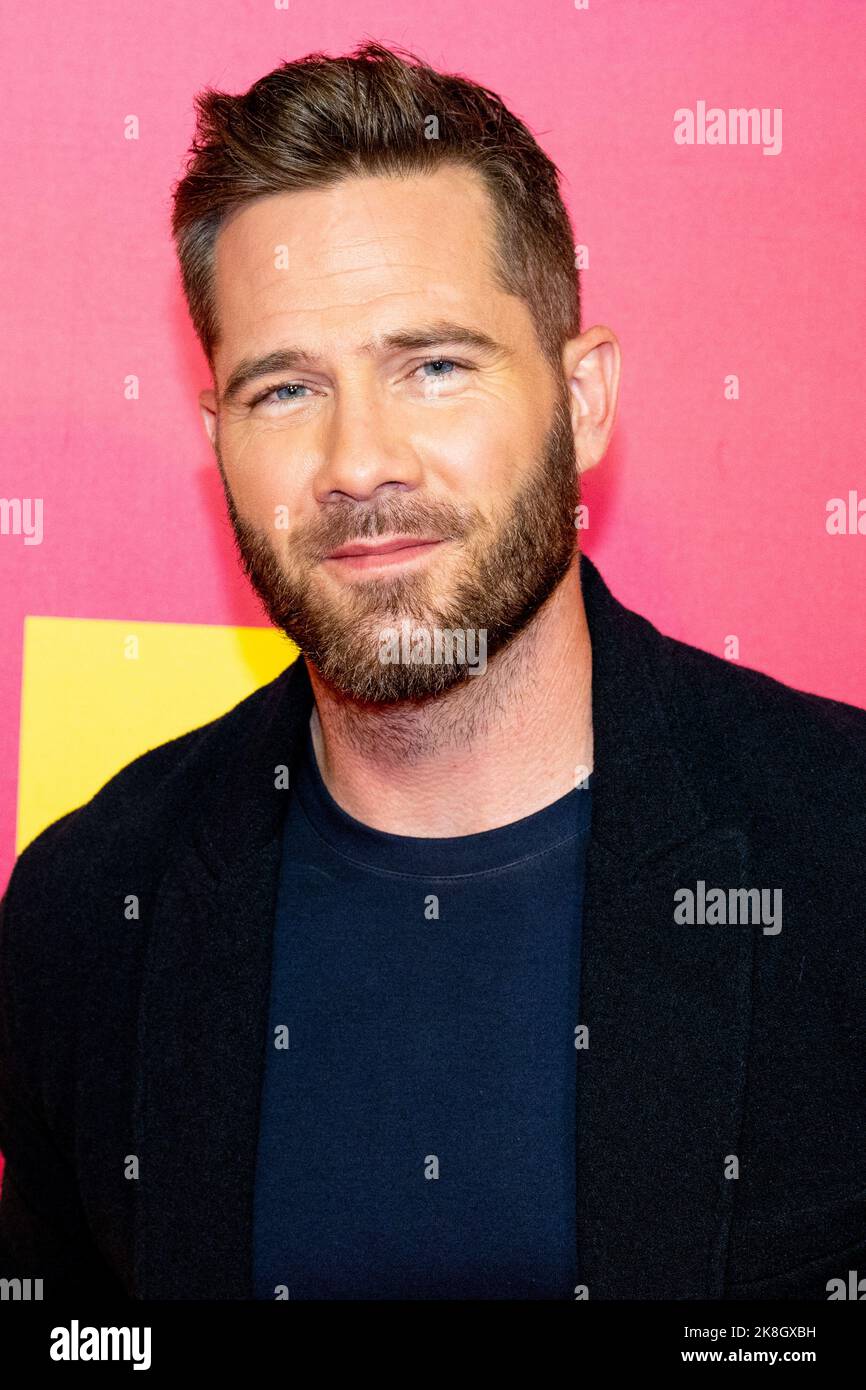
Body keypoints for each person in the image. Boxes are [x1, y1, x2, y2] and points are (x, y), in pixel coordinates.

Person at [1, 41, 864, 1302]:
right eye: (286, 388)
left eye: (434, 366)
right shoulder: (89, 906)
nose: (359, 462)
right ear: (218, 439)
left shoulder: (837, 849)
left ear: (582, 399)